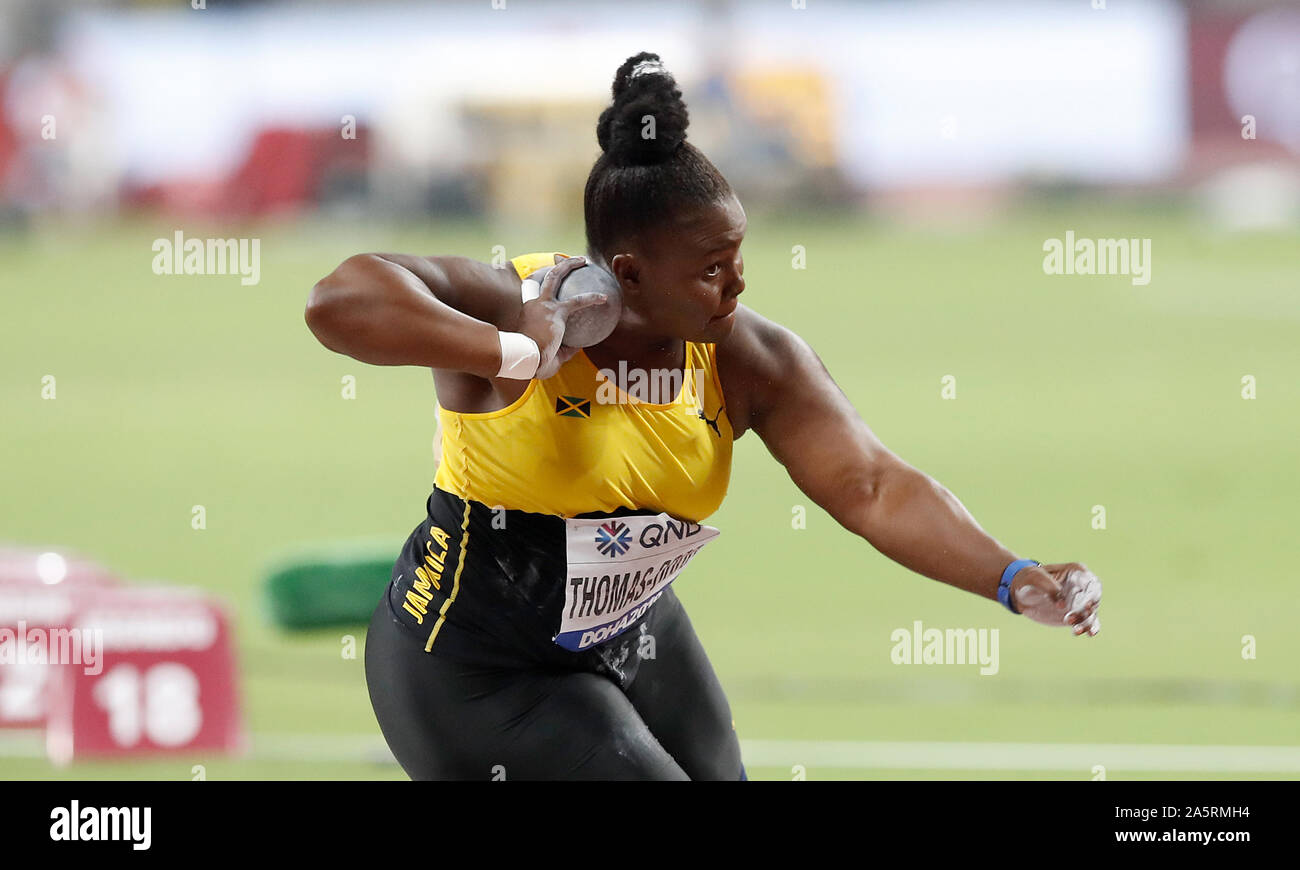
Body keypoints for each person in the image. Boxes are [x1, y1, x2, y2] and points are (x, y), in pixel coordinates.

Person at [304, 52, 1102, 781]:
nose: (739, 285)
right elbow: (339, 299)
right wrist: (513, 351)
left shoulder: (748, 358)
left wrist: (1009, 577)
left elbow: (871, 484)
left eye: (740, 256)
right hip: (472, 663)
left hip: (634, 632)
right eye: (712, 269)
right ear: (630, 273)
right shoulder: (521, 301)